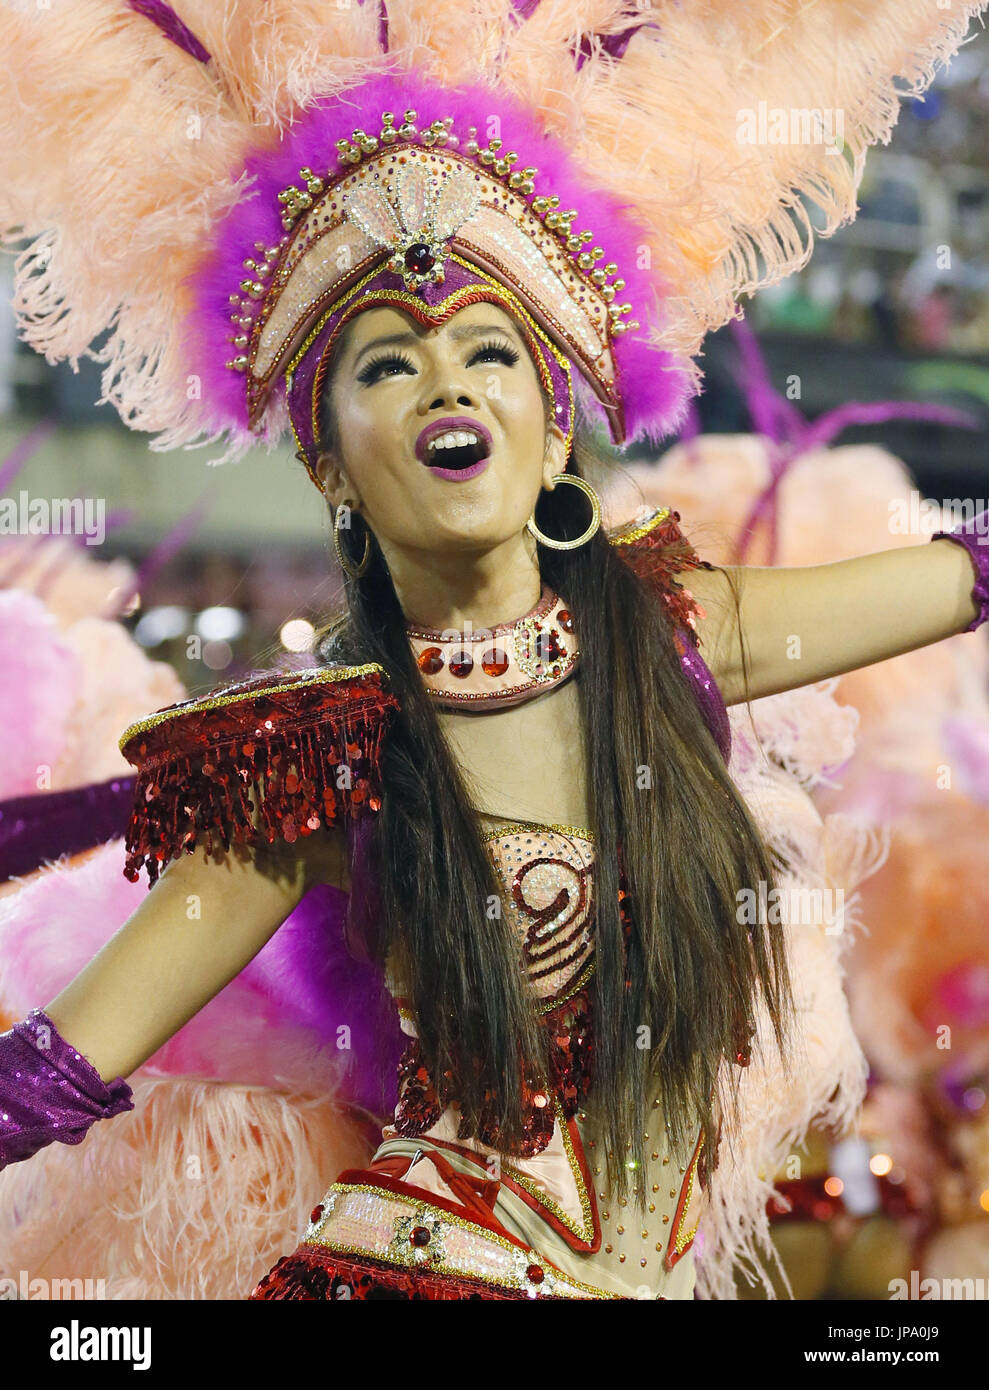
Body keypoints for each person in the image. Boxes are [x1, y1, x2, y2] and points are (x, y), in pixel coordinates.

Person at [1, 1, 987, 1302]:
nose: (445, 384)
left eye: (486, 350)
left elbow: (962, 576)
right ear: (327, 457)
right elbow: (57, 1065)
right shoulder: (299, 762)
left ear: (549, 411)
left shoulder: (670, 643)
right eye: (387, 365)